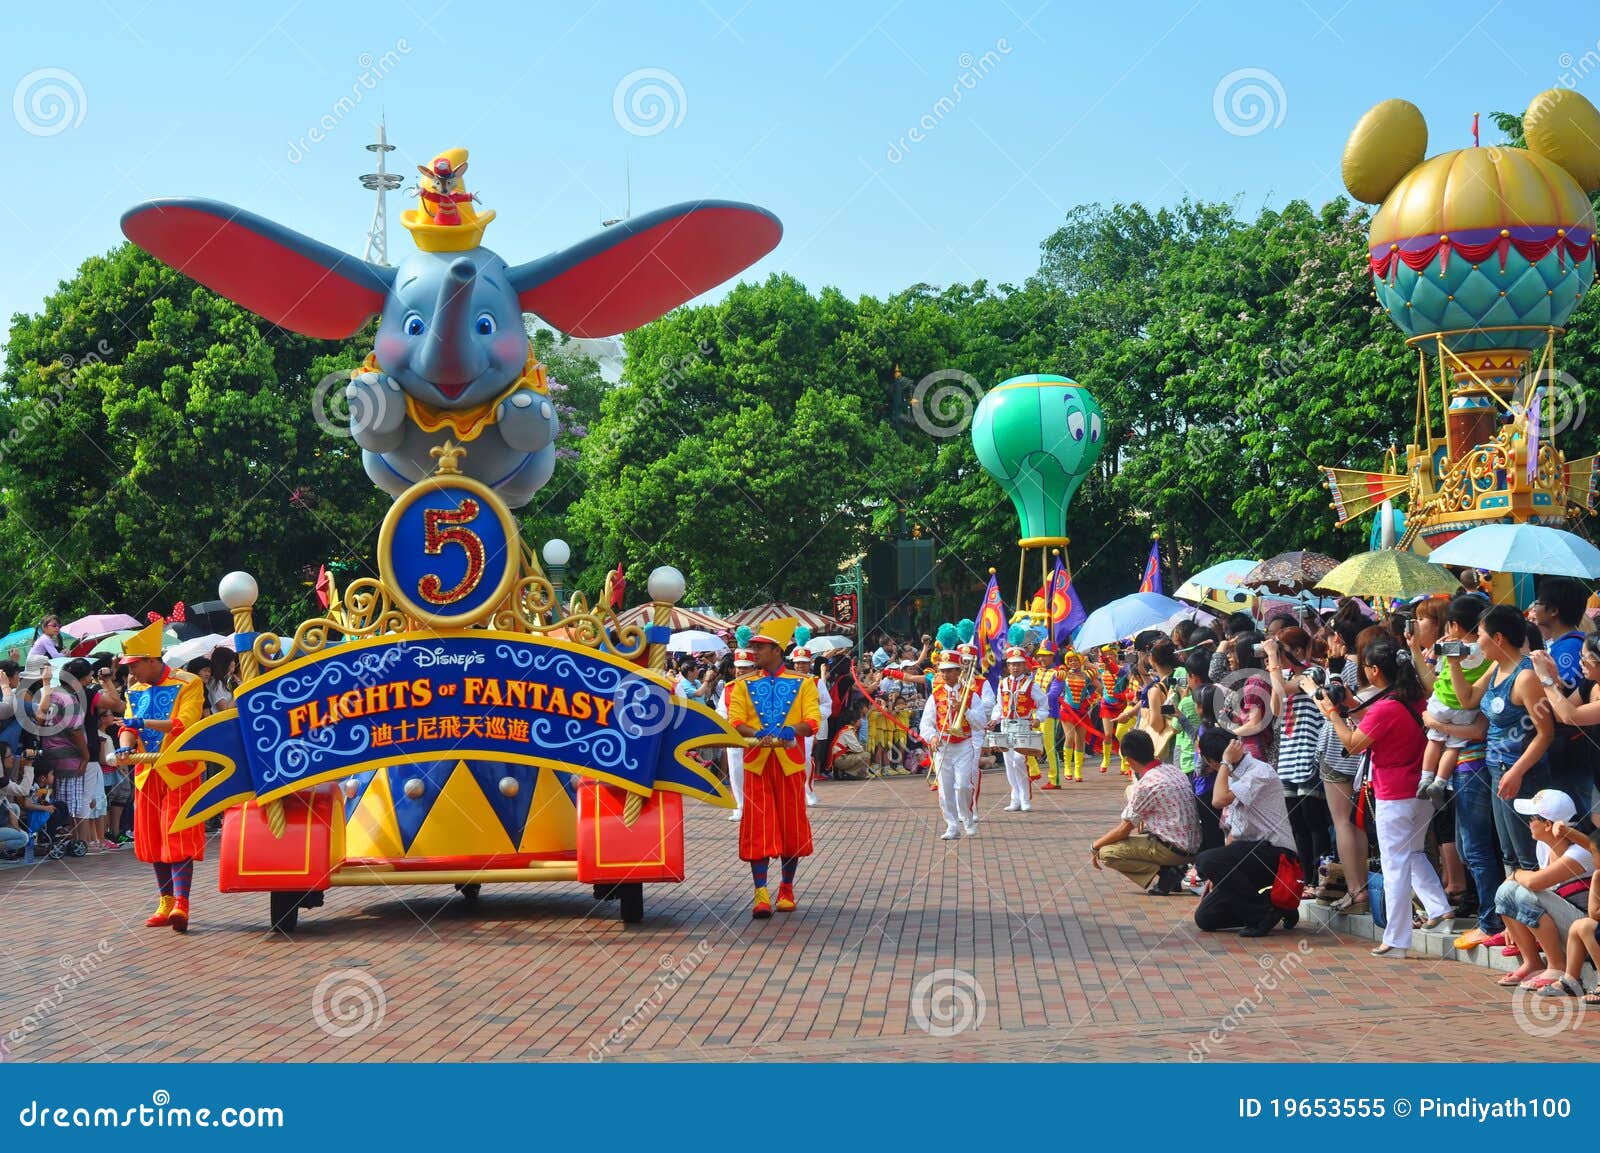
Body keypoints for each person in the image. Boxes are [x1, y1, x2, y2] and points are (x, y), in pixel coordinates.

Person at [1314, 636, 1453, 959]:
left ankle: (1397, 939)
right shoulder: (1414, 698)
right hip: (1421, 788)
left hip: (1395, 793)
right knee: (1413, 853)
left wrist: (1333, 713)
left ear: (1374, 671)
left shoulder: (1385, 707)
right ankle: (1439, 908)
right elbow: (1375, 730)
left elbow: (1352, 744)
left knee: (1394, 864)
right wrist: (1349, 707)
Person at [1446, 604, 1554, 872]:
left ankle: (1535, 910)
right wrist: (1453, 665)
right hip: (1498, 771)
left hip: (1522, 774)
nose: (1475, 640)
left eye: (1480, 633)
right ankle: (1513, 911)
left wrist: (1517, 772)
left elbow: (1545, 732)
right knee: (1509, 854)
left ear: (1498, 638)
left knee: (1527, 856)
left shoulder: (1525, 676)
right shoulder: (1497, 666)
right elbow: (1467, 699)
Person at [119, 621, 208, 933]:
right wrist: (123, 747)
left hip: (180, 772)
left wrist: (144, 721)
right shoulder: (135, 690)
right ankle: (165, 901)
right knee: (154, 839)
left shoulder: (189, 684)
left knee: (178, 836)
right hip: (147, 774)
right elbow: (127, 729)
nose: (131, 674)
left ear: (152, 660)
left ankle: (183, 903)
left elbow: (184, 725)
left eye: (134, 666)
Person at [727, 634, 820, 919]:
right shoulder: (741, 685)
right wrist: (756, 734)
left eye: (759, 647)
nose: (753, 652)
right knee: (758, 828)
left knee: (790, 827)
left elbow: (813, 720)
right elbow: (736, 721)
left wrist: (793, 729)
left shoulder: (804, 683)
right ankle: (761, 892)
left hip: (789, 765)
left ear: (777, 650)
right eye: (752, 647)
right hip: (756, 764)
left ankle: (787, 888)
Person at [1192, 729, 1300, 937]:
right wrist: (1218, 874)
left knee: (1205, 860)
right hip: (1251, 854)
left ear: (1211, 761)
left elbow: (1217, 800)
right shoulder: (1232, 777)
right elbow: (1234, 833)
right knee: (1206, 917)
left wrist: (1224, 763)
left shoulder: (1260, 771)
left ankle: (1262, 914)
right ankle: (1277, 907)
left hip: (1278, 856)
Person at [1490, 789, 1594, 992]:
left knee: (1520, 891)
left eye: (1532, 818)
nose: (1529, 822)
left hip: (1584, 928)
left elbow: (1535, 883)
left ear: (1548, 824)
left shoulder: (1579, 853)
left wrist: (1516, 874)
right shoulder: (1543, 846)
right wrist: (1511, 924)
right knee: (1506, 891)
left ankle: (1557, 966)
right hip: (1565, 920)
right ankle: (1532, 962)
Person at [1089, 729, 1201, 895]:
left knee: (1107, 853)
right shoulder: (1173, 770)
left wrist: (1095, 846)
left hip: (1174, 849)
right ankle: (1171, 872)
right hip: (1193, 846)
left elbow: (1123, 830)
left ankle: (1167, 874)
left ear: (1129, 760)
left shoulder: (1147, 784)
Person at [1264, 628, 1328, 892]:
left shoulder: (1313, 673)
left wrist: (1273, 661)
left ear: (1299, 651)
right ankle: (1304, 879)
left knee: (1313, 820)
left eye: (1281, 650)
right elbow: (1275, 707)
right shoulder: (1284, 674)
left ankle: (1321, 878)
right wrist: (1275, 666)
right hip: (1289, 756)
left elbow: (1285, 690)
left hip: (1308, 753)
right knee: (1296, 824)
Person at [921, 647, 990, 840]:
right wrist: (932, 737)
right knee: (945, 789)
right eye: (942, 670)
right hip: (943, 747)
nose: (945, 674)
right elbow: (926, 724)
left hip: (964, 745)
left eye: (950, 670)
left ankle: (967, 818)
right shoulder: (935, 696)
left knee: (964, 786)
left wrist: (965, 710)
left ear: (959, 671)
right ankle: (952, 825)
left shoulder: (971, 694)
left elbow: (980, 723)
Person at [990, 646, 1046, 813]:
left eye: (1019, 664)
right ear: (1008, 666)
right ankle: (1015, 797)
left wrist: (1038, 719)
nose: (1015, 667)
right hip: (1006, 725)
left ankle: (1025, 797)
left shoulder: (1031, 684)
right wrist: (994, 719)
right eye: (1012, 664)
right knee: (1008, 763)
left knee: (1019, 760)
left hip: (1023, 725)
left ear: (1024, 666)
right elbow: (999, 706)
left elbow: (1044, 704)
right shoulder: (1002, 684)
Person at [789, 646, 831, 807]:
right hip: (788, 726)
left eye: (804, 663)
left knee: (805, 757)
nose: (800, 666)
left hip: (806, 727)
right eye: (798, 663)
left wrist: (812, 714)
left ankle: (808, 790)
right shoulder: (787, 680)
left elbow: (827, 704)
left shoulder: (816, 682)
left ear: (810, 664)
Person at [716, 648, 755, 822]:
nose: (741, 671)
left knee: (756, 773)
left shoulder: (762, 687)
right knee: (736, 772)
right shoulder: (728, 689)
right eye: (738, 667)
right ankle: (740, 806)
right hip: (735, 738)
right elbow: (721, 712)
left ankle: (757, 805)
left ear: (753, 668)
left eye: (745, 667)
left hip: (757, 738)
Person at [1049, 649, 1099, 783]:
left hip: (1081, 711)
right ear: (1067, 662)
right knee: (1069, 736)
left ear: (1080, 661)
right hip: (1067, 710)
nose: (1073, 663)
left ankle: (1078, 769)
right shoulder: (1064, 674)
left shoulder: (1087, 675)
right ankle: (1067, 767)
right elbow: (1053, 677)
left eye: (1076, 660)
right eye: (1070, 660)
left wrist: (1092, 700)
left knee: (1080, 739)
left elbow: (1100, 683)